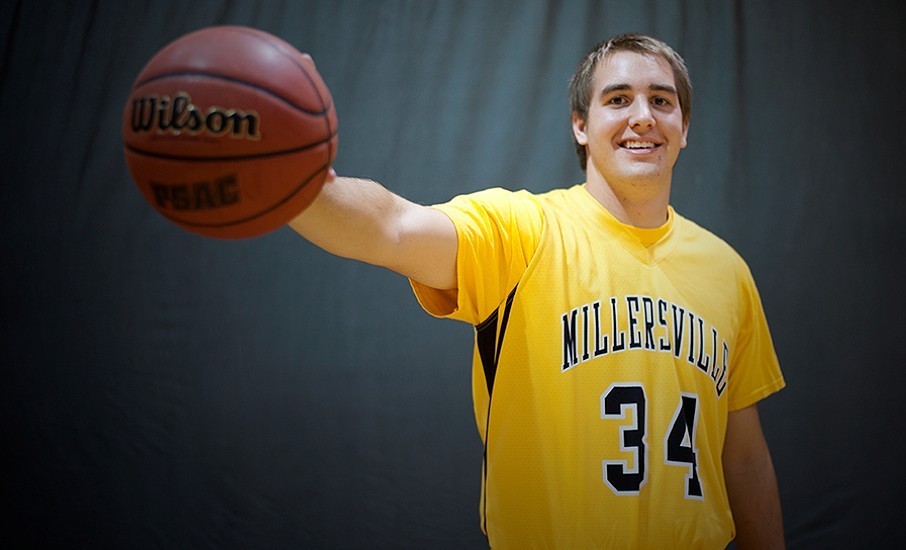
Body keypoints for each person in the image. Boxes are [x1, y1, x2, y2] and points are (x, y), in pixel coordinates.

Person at [290, 33, 786, 549]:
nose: (643, 116)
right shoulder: (522, 231)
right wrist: (296, 178)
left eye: (662, 100)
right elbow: (390, 226)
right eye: (617, 99)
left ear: (684, 128)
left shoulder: (727, 270)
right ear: (580, 125)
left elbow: (744, 457)